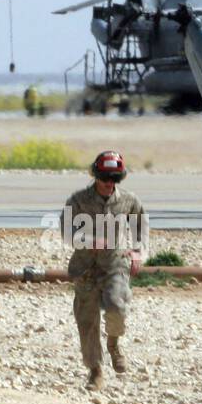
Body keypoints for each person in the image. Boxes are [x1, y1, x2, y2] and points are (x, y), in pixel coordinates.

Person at [64, 150, 147, 390]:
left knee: (117, 307)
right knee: (86, 321)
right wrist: (88, 240)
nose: (109, 183)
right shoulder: (78, 200)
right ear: (95, 176)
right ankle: (95, 371)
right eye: (105, 178)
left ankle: (113, 343)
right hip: (85, 268)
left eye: (114, 178)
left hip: (115, 264)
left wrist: (138, 251)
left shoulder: (128, 200)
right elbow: (66, 231)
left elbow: (140, 223)